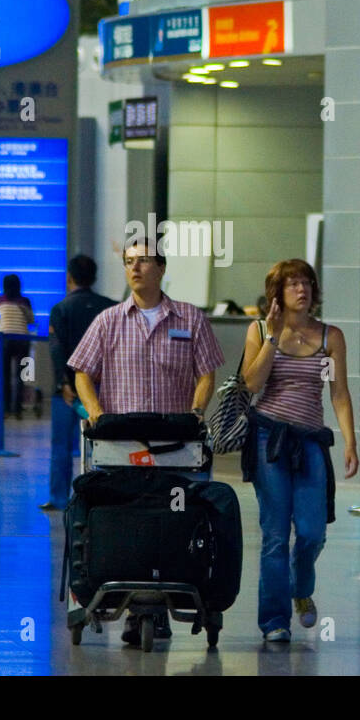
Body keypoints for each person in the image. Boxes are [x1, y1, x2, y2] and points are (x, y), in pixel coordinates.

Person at [68, 237, 224, 643]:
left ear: (161, 268)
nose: (135, 268)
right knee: (127, 519)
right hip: (120, 445)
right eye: (128, 262)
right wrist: (95, 411)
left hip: (175, 446)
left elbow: (207, 373)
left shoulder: (190, 319)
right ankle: (135, 605)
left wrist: (196, 410)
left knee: (171, 520)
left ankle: (161, 598)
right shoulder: (107, 321)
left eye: (143, 261)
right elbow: (81, 371)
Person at [240, 259, 359, 643]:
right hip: (268, 439)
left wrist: (350, 441)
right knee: (275, 534)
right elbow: (252, 383)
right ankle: (274, 620)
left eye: (306, 283)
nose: (302, 290)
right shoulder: (259, 330)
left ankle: (301, 587)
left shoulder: (330, 337)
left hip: (310, 440)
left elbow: (337, 393)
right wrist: (273, 337)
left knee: (312, 532)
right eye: (292, 284)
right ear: (277, 293)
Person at [42, 255, 113, 511]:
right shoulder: (110, 308)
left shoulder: (60, 309)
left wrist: (65, 383)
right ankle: (102, 496)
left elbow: (56, 349)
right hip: (103, 388)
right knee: (105, 444)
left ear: (69, 278)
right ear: (94, 277)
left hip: (67, 390)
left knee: (60, 445)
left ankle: (59, 498)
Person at [0, 274, 35, 418]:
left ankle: (5, 410)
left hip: (4, 340)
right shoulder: (25, 301)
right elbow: (31, 320)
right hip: (22, 340)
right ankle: (18, 410)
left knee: (4, 376)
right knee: (20, 376)